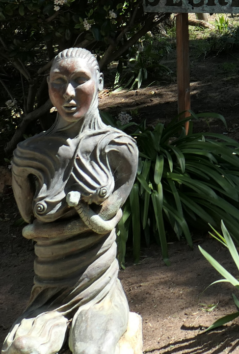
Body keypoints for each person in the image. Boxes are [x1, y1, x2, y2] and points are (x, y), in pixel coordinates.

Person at [3, 48, 139, 354]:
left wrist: (45, 227)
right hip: (48, 292)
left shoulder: (117, 148)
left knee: (91, 350)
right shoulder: (29, 154)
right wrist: (73, 214)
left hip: (98, 290)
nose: (68, 92)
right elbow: (28, 219)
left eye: (79, 80)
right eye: (58, 82)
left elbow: (105, 220)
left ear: (99, 82)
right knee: (25, 348)